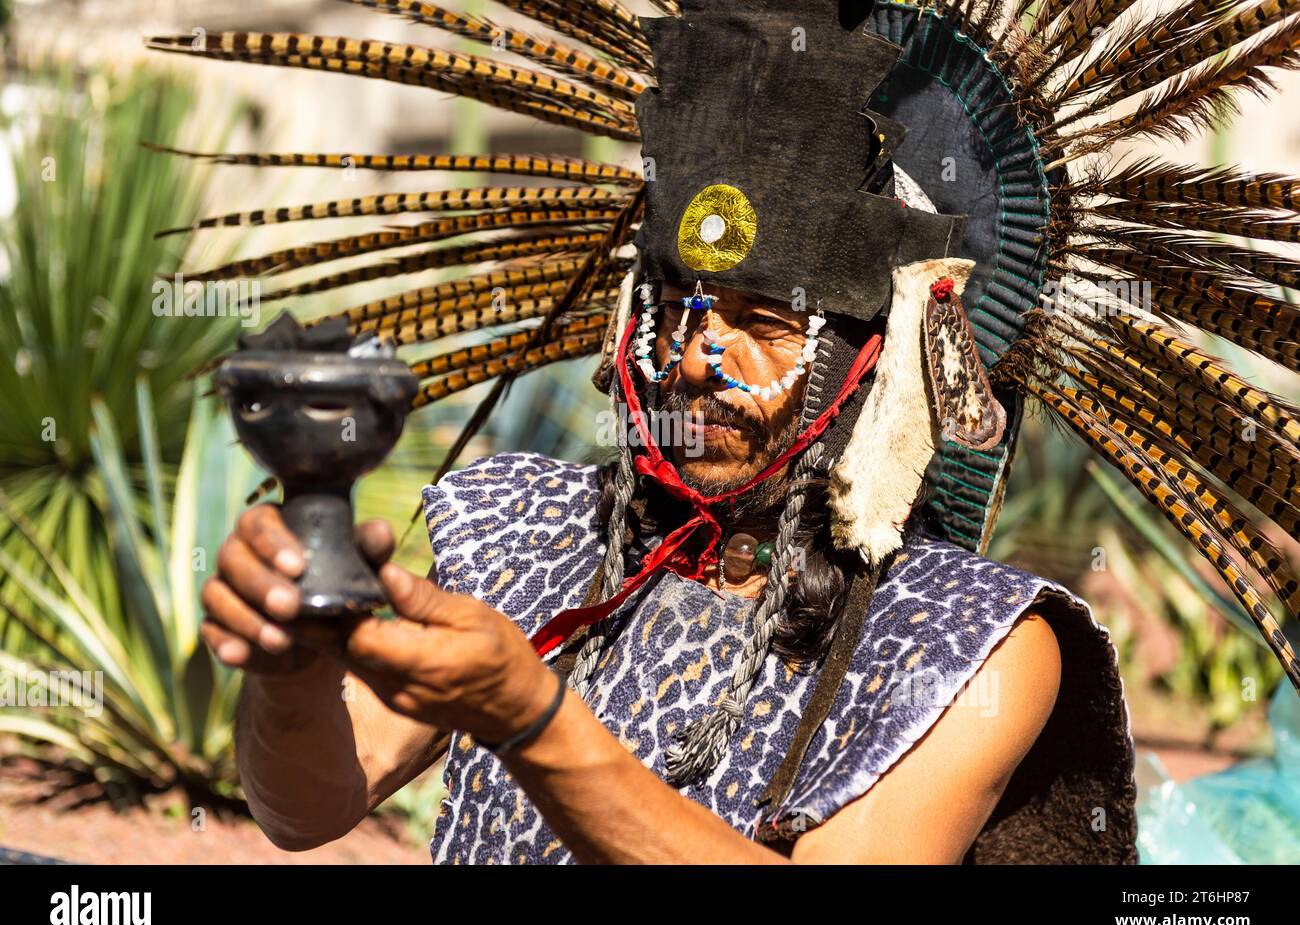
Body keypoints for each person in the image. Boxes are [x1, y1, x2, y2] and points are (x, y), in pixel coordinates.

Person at [160, 0, 1300, 865]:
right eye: (675, 310)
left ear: (876, 356)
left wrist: (534, 719)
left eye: (762, 323)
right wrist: (293, 672)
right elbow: (303, 807)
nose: (698, 357)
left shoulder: (977, 649)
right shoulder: (532, 538)